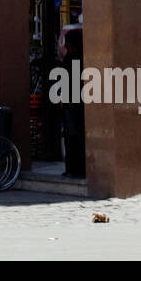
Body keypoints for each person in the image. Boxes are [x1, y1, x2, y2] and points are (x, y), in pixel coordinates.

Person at [60, 28, 85, 179]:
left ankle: (79, 168)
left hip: (79, 106)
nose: (68, 48)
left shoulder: (79, 60)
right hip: (70, 105)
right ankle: (71, 168)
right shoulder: (69, 60)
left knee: (78, 138)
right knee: (70, 138)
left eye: (71, 45)